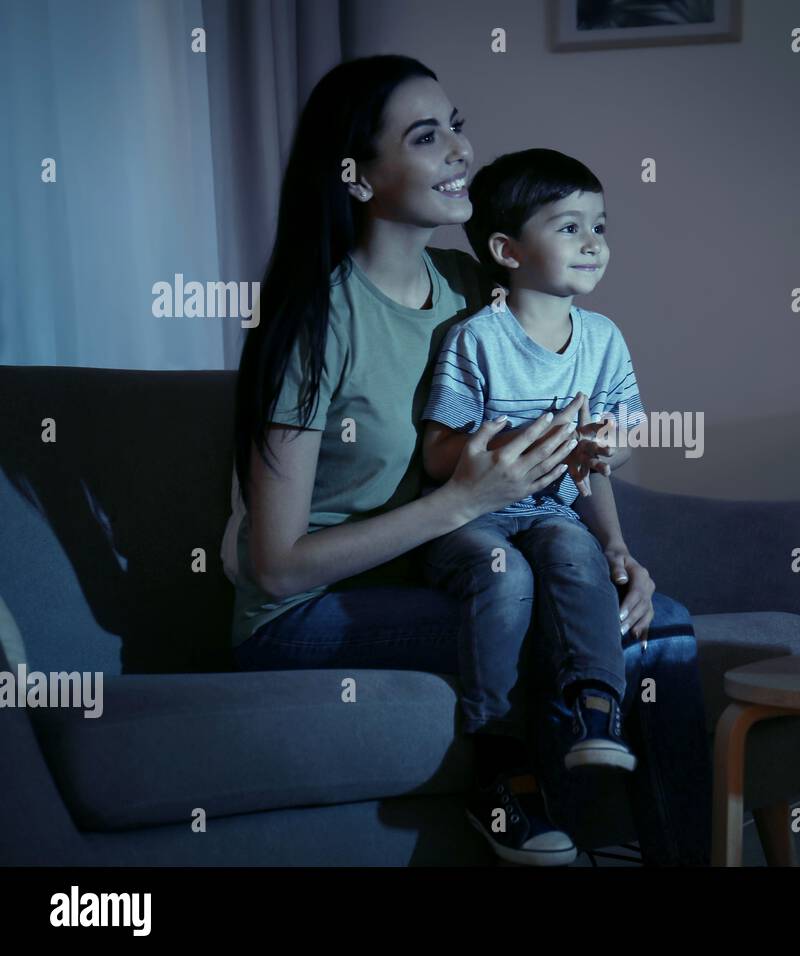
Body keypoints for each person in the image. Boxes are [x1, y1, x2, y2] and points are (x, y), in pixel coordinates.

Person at [223, 54, 710, 866]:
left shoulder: (471, 288)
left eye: (456, 124)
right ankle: (517, 786)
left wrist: (615, 554)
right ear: (357, 176)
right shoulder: (312, 322)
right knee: (548, 612)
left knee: (651, 621)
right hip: (313, 611)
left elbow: (563, 436)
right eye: (425, 136)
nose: (459, 150)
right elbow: (273, 569)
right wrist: (462, 503)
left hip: (451, 570)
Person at [419, 150, 646, 860]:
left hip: (550, 512)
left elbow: (600, 465)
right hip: (470, 515)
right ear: (507, 250)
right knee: (503, 572)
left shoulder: (603, 340)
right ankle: (498, 761)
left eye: (599, 226)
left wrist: (613, 508)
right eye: (569, 226)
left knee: (571, 549)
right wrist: (519, 444)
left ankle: (596, 718)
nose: (592, 242)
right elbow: (435, 455)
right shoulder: (475, 339)